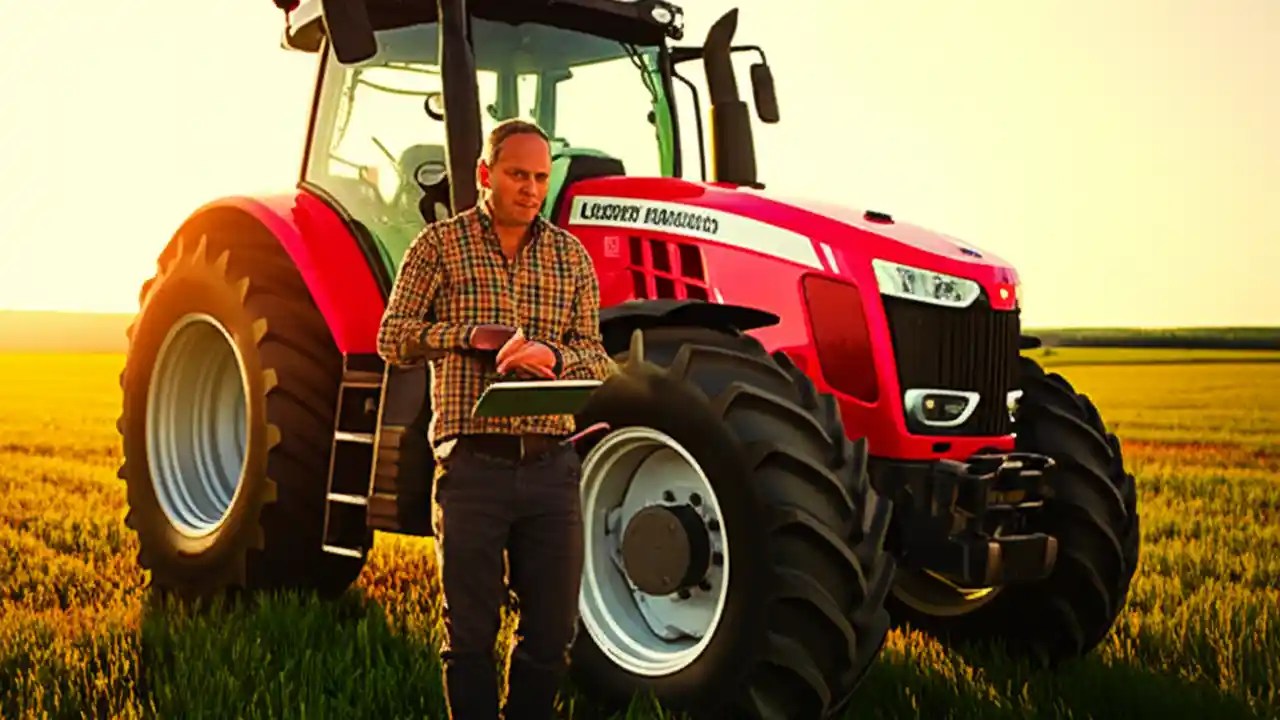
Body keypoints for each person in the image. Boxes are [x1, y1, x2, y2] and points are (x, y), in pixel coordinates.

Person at [376, 118, 616, 720]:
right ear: (486, 174)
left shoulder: (570, 256)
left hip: (551, 470)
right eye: (517, 175)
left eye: (540, 177)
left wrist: (553, 355)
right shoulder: (438, 247)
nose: (531, 189)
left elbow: (599, 358)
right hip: (471, 470)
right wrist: (468, 337)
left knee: (552, 634)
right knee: (470, 640)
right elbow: (392, 337)